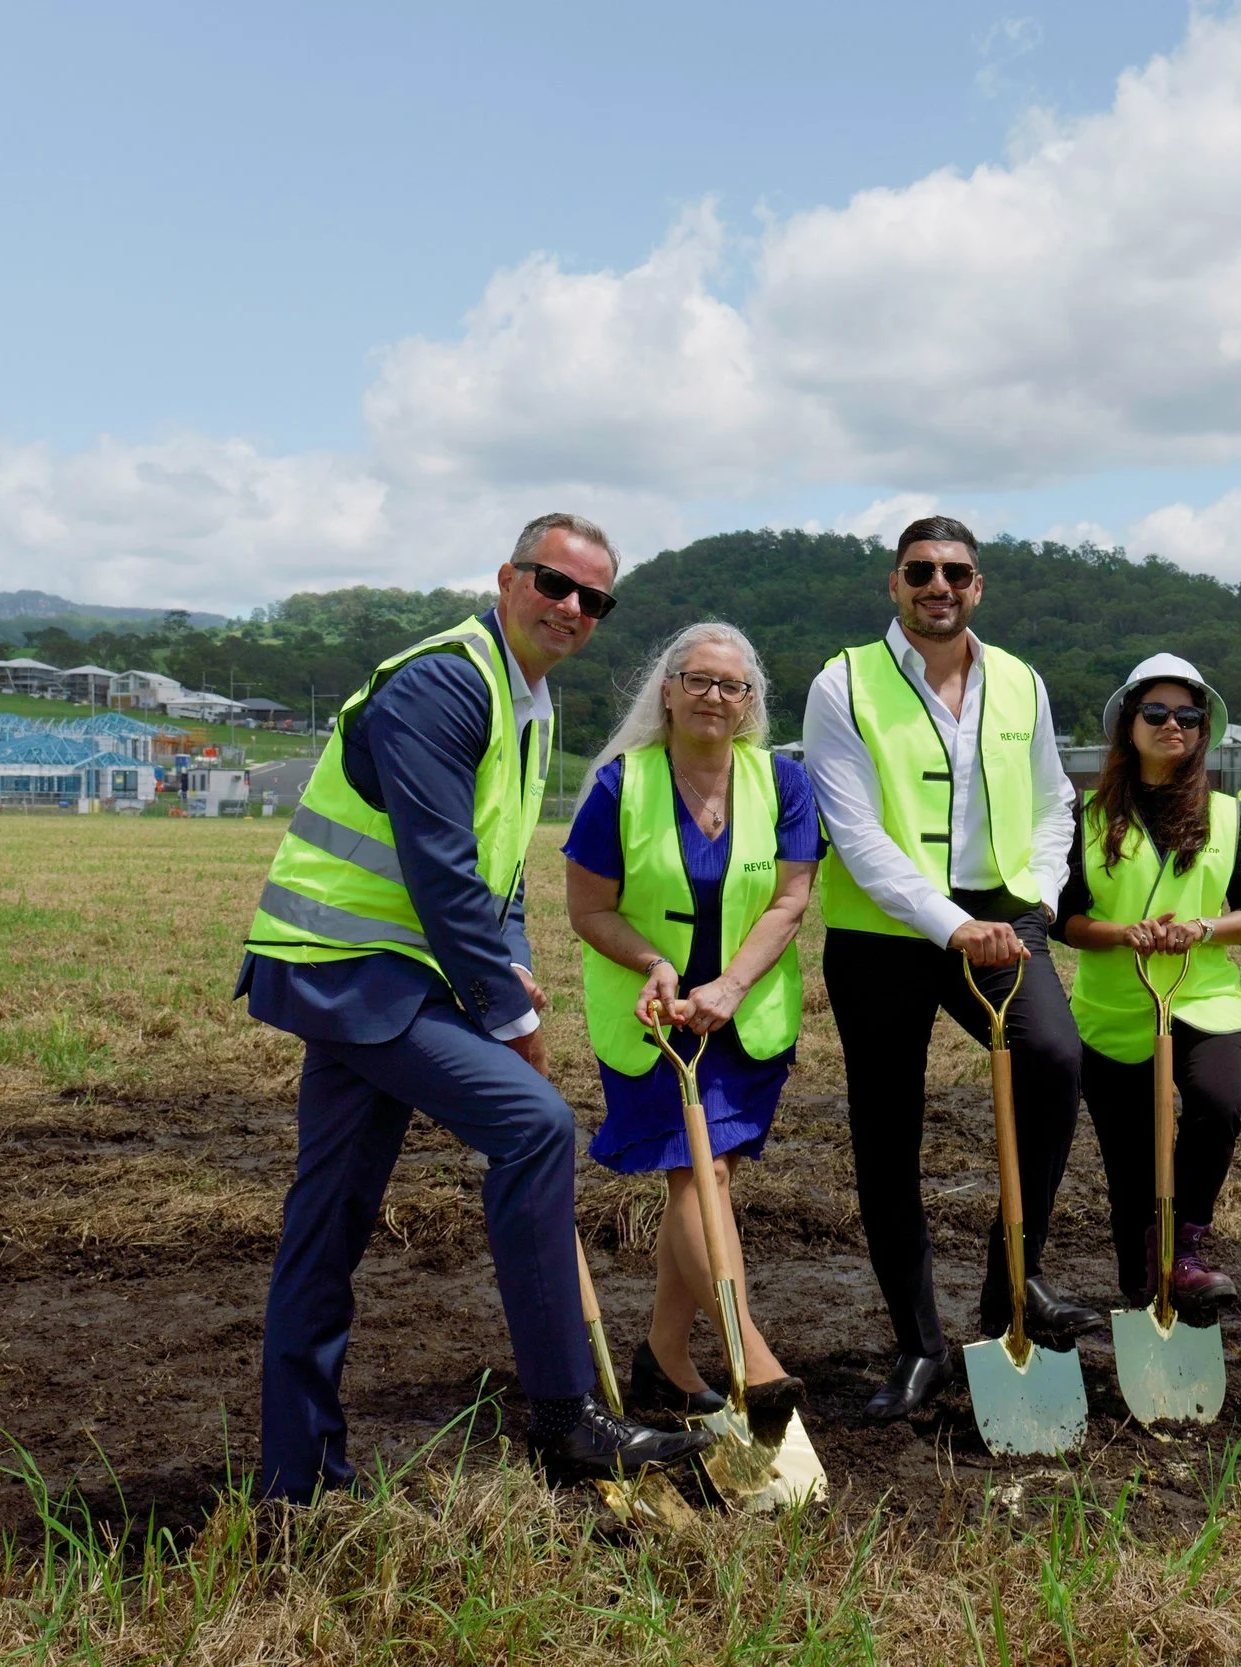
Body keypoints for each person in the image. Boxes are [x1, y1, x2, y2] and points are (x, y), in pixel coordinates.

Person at [239, 513, 711, 1499]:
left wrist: (515, 970)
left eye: (593, 597)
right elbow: (443, 872)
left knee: (325, 1224)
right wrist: (511, 1017)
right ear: (507, 577)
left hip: (390, 977)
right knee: (533, 1126)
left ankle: (295, 1478)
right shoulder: (445, 683)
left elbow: (502, 876)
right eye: (554, 582)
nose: (570, 606)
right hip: (348, 969)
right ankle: (566, 1418)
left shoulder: (526, 698)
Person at [803, 515, 1098, 1422]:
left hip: (1004, 915)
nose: (940, 585)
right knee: (886, 1130)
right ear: (894, 583)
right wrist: (950, 925)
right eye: (921, 570)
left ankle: (1012, 1290)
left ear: (979, 586)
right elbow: (856, 832)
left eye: (957, 572)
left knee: (1054, 1059)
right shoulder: (841, 681)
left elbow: (1055, 800)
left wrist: (1037, 895)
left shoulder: (1020, 680)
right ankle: (919, 1343)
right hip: (883, 932)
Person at [564, 622, 820, 1426]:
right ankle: (754, 1361)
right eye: (699, 680)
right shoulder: (619, 786)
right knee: (696, 1175)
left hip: (741, 1021)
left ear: (750, 703)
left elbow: (790, 900)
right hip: (655, 1019)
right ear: (667, 691)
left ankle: (665, 1358)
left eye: (732, 685)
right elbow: (588, 909)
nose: (715, 696)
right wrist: (655, 964)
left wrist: (732, 986)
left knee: (711, 1180)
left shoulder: (783, 782)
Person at [1060, 654, 1241, 1313]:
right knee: (1132, 1160)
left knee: (1217, 1105)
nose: (1172, 724)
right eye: (1155, 712)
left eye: (1188, 714)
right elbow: (1064, 919)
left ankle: (1185, 1244)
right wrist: (1123, 933)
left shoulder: (1224, 814)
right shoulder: (1086, 816)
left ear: (1203, 729)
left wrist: (1204, 928)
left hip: (1205, 998)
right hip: (1114, 1006)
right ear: (1130, 724)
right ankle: (1142, 1286)